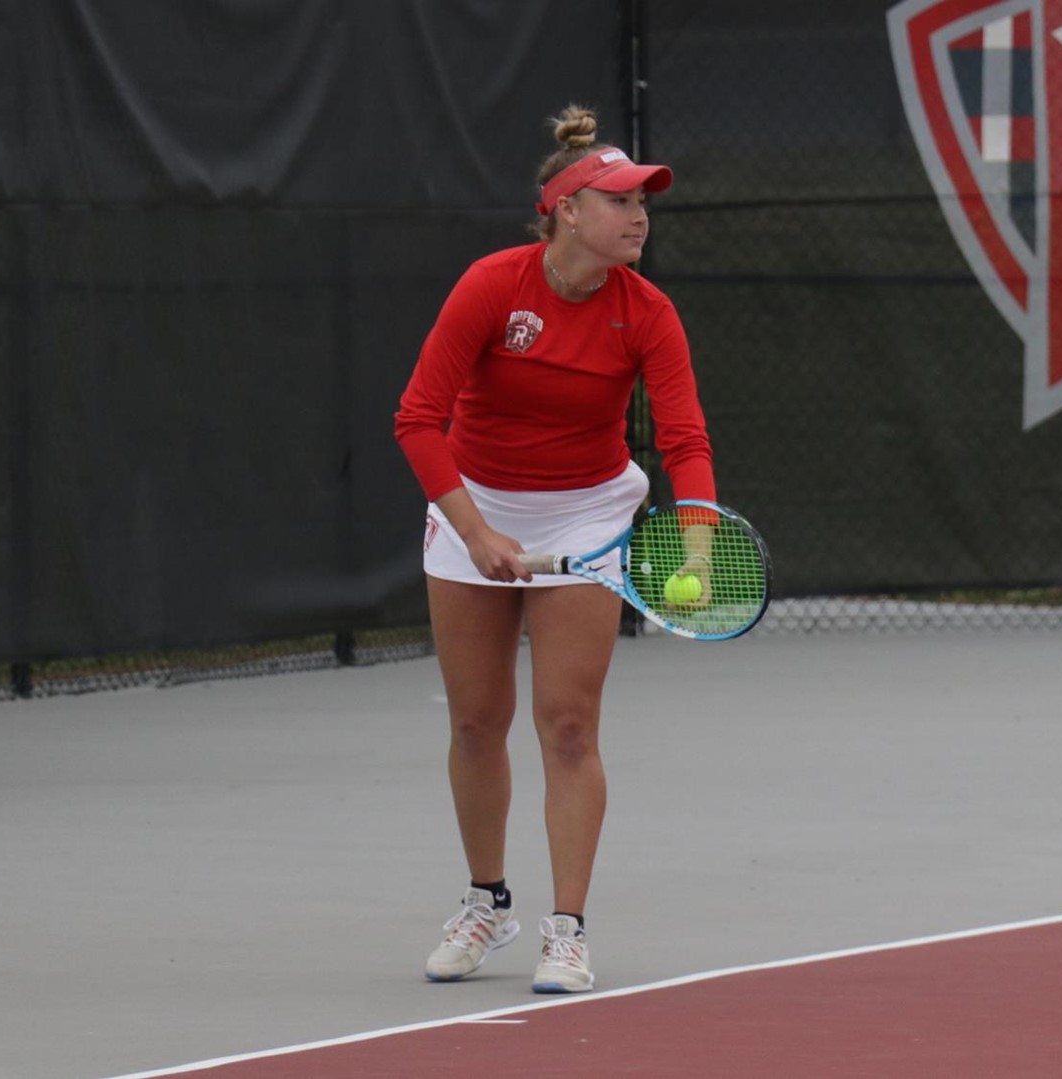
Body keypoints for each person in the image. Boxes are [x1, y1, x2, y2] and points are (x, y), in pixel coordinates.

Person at [392, 104, 718, 994]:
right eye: (621, 199)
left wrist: (696, 548)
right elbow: (419, 420)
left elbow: (685, 441)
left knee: (568, 726)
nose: (640, 214)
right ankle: (486, 900)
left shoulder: (648, 313)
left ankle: (565, 930)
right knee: (475, 721)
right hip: (476, 502)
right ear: (567, 210)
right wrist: (477, 532)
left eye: (646, 200)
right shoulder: (492, 286)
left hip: (588, 514)